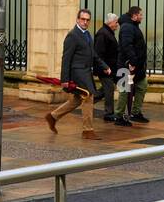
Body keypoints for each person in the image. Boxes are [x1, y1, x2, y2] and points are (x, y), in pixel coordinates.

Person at [46, 8, 113, 139]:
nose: (85, 22)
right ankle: (87, 131)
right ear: (77, 19)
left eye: (87, 20)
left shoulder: (87, 35)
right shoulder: (72, 35)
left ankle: (53, 116)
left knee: (77, 100)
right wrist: (64, 79)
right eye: (83, 19)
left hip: (86, 72)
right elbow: (66, 58)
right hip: (77, 73)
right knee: (89, 96)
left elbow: (93, 55)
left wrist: (104, 66)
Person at [116, 6, 149, 125]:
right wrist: (133, 62)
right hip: (127, 66)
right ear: (134, 16)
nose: (142, 17)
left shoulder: (133, 26)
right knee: (124, 90)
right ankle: (118, 116)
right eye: (140, 15)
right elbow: (127, 46)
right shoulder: (127, 27)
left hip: (137, 67)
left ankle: (136, 112)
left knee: (142, 86)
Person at [94, 13, 121, 122]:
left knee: (105, 90)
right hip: (104, 68)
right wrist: (104, 67)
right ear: (110, 22)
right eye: (116, 22)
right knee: (109, 89)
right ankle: (109, 113)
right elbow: (98, 53)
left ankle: (88, 100)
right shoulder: (102, 34)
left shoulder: (108, 32)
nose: (117, 24)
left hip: (110, 68)